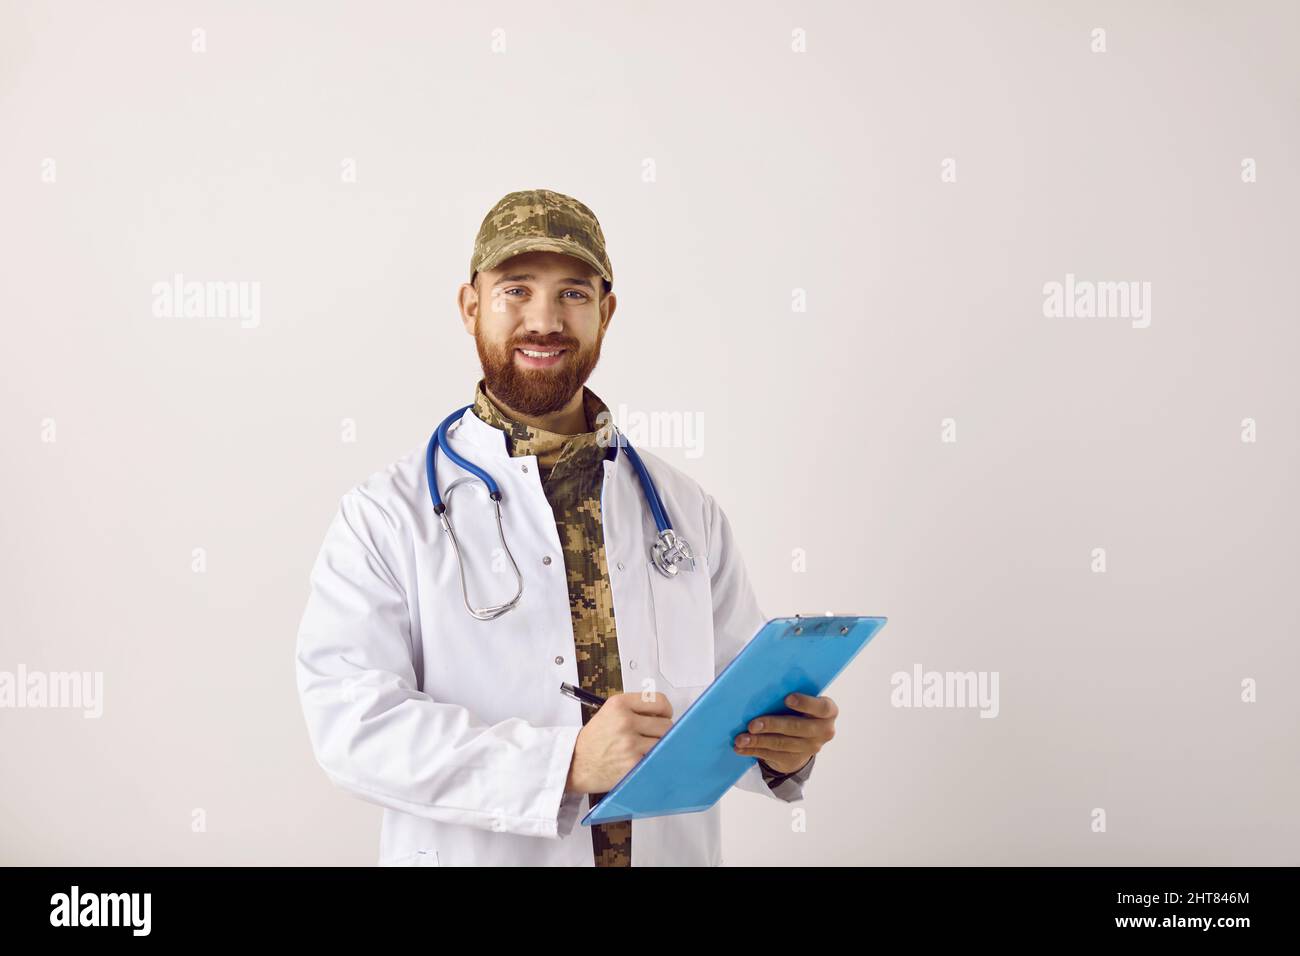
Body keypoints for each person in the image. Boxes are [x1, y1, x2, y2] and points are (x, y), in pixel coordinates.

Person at [295, 188, 840, 866]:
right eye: (515, 290)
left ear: (606, 313)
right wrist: (562, 765)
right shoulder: (386, 514)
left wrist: (780, 748)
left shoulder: (684, 509)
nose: (544, 320)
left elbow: (728, 697)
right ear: (471, 307)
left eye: (574, 294)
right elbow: (355, 726)